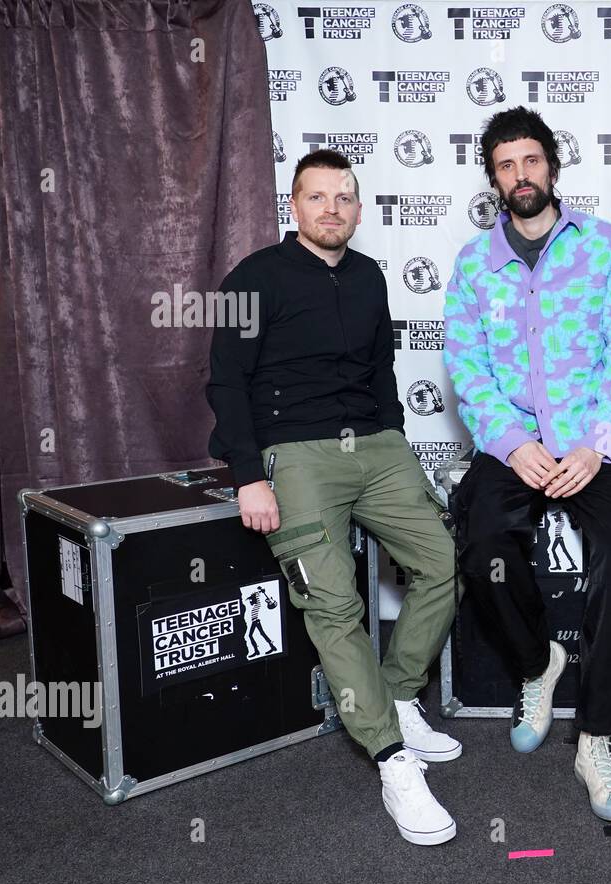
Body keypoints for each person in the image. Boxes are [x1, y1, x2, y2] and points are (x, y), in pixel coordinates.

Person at [206, 150, 460, 845]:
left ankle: (400, 694)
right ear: (295, 206)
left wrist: (397, 442)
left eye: (344, 198)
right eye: (318, 197)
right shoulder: (254, 277)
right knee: (336, 603)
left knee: (442, 562)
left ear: (356, 206)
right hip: (296, 453)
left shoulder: (371, 275)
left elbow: (382, 371)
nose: (332, 210)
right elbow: (227, 381)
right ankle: (390, 757)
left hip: (375, 446)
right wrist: (248, 474)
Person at [443, 107, 611, 822]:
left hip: (594, 443)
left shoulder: (602, 246)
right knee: (482, 553)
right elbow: (467, 369)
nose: (520, 175)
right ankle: (539, 665)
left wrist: (598, 442)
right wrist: (511, 442)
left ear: (552, 167)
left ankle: (596, 738)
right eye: (505, 165)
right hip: (516, 445)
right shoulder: (476, 264)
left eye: (530, 161)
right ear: (493, 178)